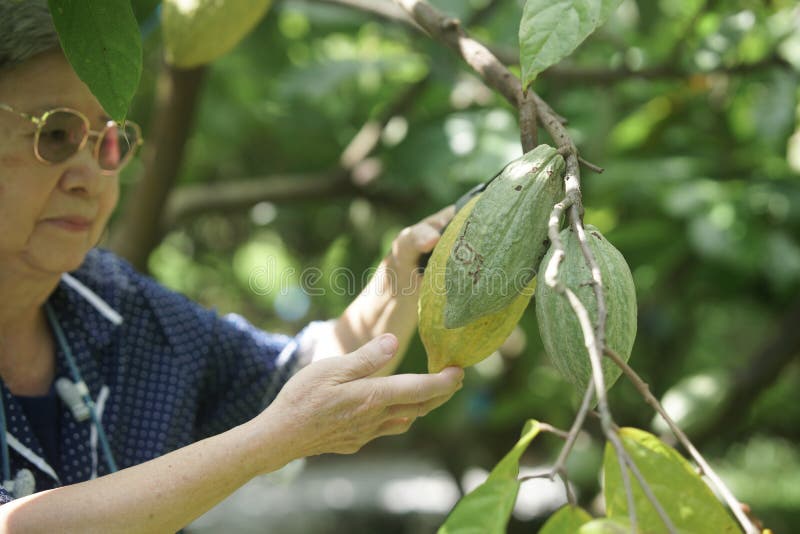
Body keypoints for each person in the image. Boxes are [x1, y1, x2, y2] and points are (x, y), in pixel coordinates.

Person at [0, 2, 463, 532]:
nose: (90, 178)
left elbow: (292, 376)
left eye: (106, 140)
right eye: (55, 134)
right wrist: (268, 442)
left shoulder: (118, 307)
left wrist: (407, 271)